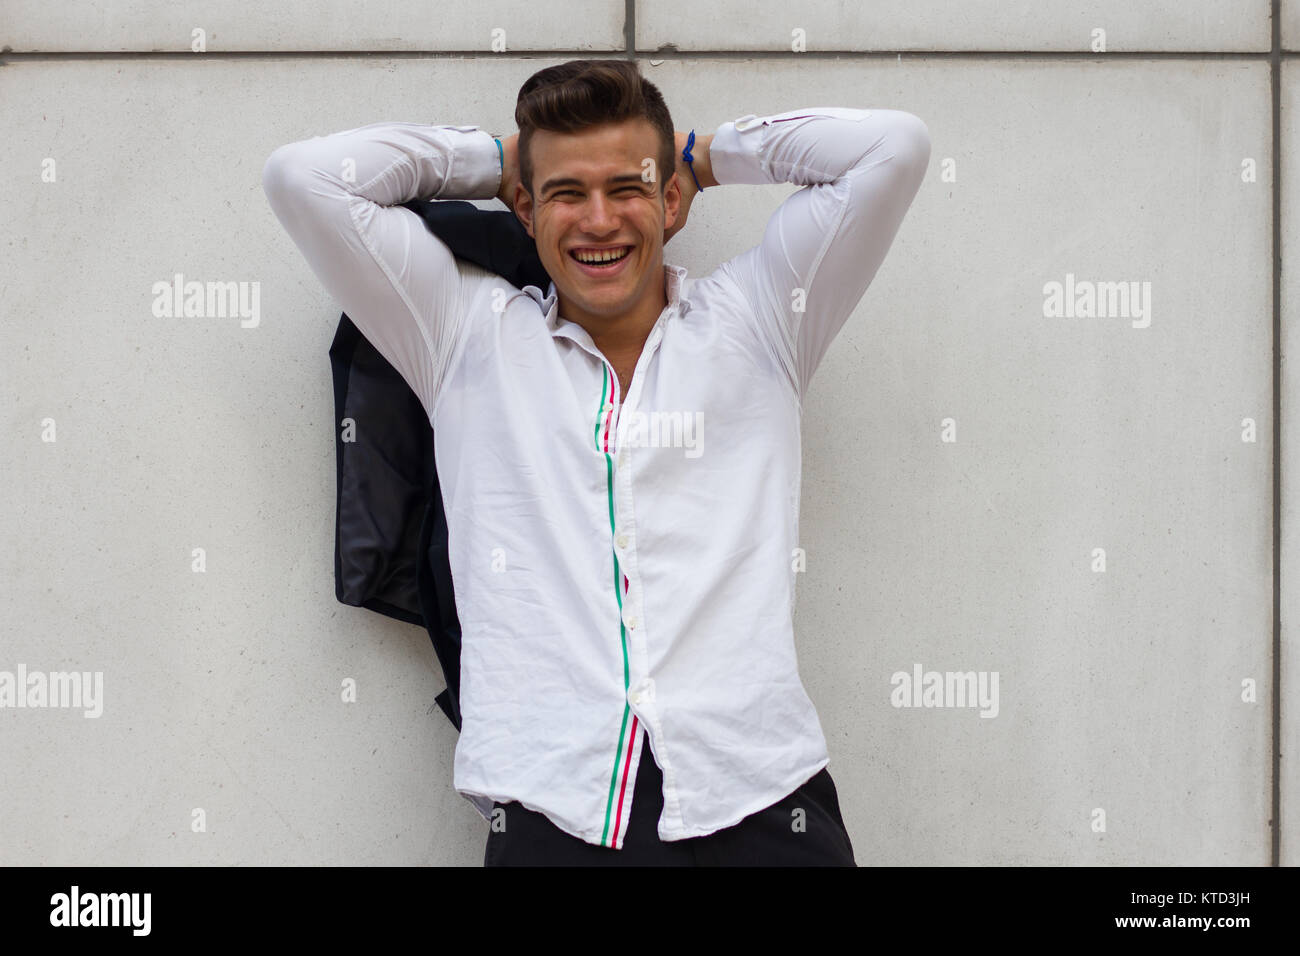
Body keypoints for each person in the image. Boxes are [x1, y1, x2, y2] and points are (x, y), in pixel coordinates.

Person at [262, 58, 930, 866]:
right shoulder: (463, 337)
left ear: (671, 200)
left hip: (760, 796)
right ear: (526, 208)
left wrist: (704, 153)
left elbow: (893, 146)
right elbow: (303, 178)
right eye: (567, 193)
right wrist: (500, 159)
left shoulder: (763, 323)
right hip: (557, 809)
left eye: (628, 187)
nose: (599, 220)